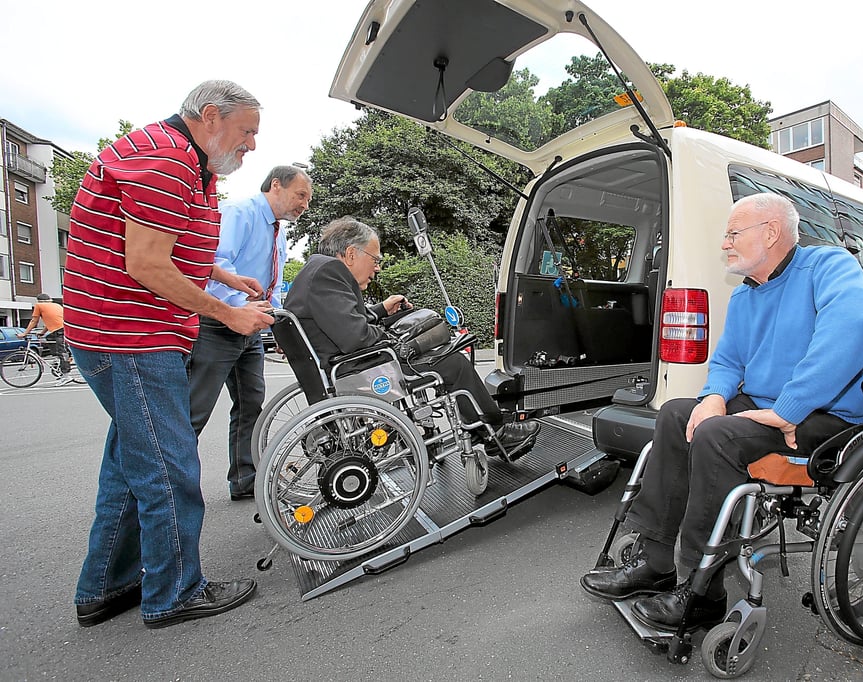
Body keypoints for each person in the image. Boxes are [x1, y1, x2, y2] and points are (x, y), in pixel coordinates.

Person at [580, 193, 863, 632]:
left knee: (717, 437)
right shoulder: (747, 296)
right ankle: (656, 562)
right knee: (675, 416)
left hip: (837, 413)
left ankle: (704, 589)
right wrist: (712, 397)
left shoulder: (828, 266)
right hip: (771, 405)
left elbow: (849, 333)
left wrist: (790, 408)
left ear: (770, 232)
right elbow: (728, 363)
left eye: (732, 233)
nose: (724, 243)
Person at [63, 80, 274, 630]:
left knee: (128, 465)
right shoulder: (166, 162)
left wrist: (226, 276)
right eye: (247, 131)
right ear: (210, 117)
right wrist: (227, 313)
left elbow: (177, 249)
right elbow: (149, 265)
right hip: (130, 337)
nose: (251, 145)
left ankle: (105, 587)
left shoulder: (181, 161)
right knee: (168, 467)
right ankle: (174, 592)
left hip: (122, 331)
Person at [284, 216, 541, 456]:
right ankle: (494, 434)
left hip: (347, 363)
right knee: (455, 363)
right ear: (351, 254)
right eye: (374, 259)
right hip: (361, 367)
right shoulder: (330, 272)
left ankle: (478, 426)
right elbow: (356, 337)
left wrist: (382, 310)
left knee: (435, 349)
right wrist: (395, 338)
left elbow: (342, 320)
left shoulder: (316, 269)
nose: (377, 268)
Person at [188, 165, 312, 501]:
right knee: (194, 410)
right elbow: (215, 263)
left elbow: (271, 284)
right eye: (301, 195)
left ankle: (245, 478)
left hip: (252, 326)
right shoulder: (239, 213)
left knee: (250, 405)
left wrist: (277, 325)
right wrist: (237, 309)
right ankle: (170, 488)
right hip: (220, 322)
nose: (304, 204)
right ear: (276, 185)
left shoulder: (278, 231)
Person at [18, 293, 72, 384]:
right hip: (63, 327)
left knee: (62, 352)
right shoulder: (56, 305)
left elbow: (34, 321)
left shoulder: (39, 305)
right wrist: (42, 333)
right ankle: (60, 358)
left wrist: (25, 333)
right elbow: (51, 321)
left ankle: (66, 376)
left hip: (60, 330)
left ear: (39, 301)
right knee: (49, 338)